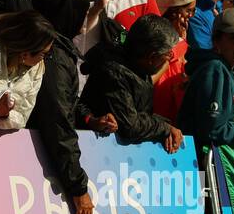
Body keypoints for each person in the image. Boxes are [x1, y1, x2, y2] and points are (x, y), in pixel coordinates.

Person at [29, 0, 94, 214]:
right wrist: (78, 187)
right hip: (34, 173)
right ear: (69, 9)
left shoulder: (58, 49)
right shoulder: (52, 54)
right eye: (83, 5)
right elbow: (57, 120)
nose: (87, 12)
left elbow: (67, 104)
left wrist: (91, 118)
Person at [77, 13, 182, 151]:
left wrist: (167, 126)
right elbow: (130, 126)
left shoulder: (138, 68)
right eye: (168, 54)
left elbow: (139, 113)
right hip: (97, 153)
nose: (169, 59)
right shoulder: (116, 73)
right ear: (152, 56)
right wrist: (164, 128)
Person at [178, 7, 234, 151]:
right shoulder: (214, 69)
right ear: (216, 41)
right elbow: (213, 130)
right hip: (201, 167)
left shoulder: (228, 68)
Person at [151, 0, 197, 121]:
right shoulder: (179, 51)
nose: (192, 16)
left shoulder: (144, 39)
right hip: (167, 127)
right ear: (176, 13)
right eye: (190, 10)